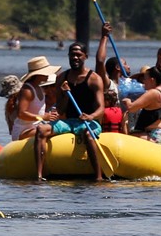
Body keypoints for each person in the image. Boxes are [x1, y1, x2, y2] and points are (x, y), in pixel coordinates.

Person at [33, 42, 106, 181]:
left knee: (88, 135)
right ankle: (39, 176)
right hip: (69, 122)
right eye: (72, 54)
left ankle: (98, 176)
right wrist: (66, 94)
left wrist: (90, 116)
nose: (75, 58)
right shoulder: (62, 78)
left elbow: (101, 109)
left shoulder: (94, 79)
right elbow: (60, 109)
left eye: (79, 55)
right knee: (41, 129)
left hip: (89, 122)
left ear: (85, 56)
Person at [120, 67, 161, 147]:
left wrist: (127, 101)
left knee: (129, 136)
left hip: (158, 136)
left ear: (152, 80)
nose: (143, 82)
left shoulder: (153, 92)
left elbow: (131, 108)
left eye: (145, 79)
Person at [9, 57, 60, 141]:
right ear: (38, 74)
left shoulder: (40, 89)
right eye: (46, 72)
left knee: (61, 127)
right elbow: (21, 114)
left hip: (36, 128)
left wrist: (51, 115)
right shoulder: (27, 90)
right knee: (56, 130)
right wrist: (43, 117)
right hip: (23, 131)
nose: (48, 74)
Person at [94, 22, 129, 134]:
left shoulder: (129, 83)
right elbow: (100, 62)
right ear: (118, 67)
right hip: (111, 132)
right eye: (125, 64)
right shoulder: (108, 84)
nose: (128, 66)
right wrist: (104, 37)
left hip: (126, 127)